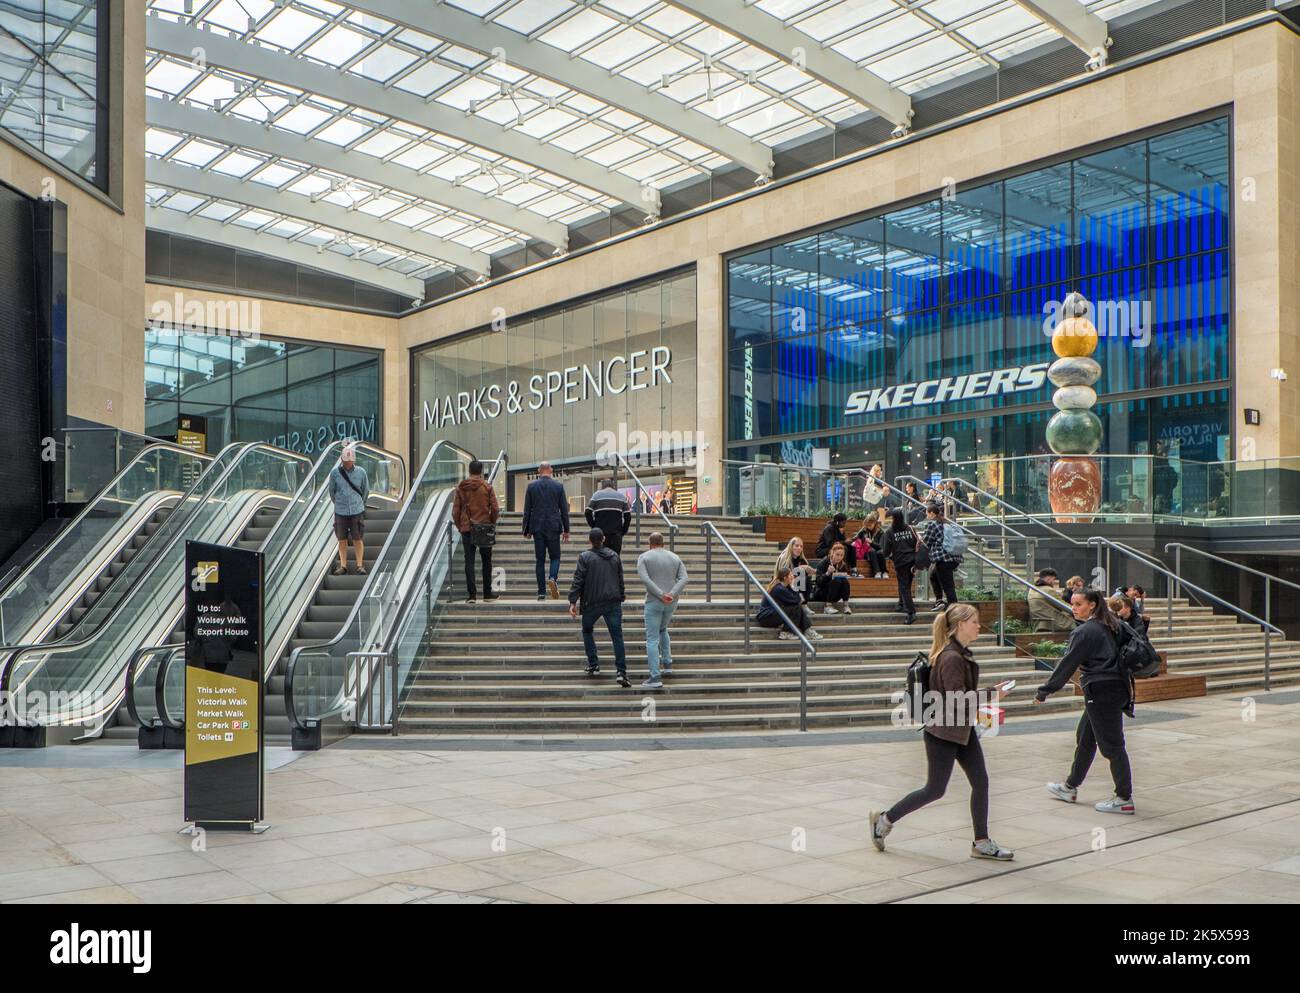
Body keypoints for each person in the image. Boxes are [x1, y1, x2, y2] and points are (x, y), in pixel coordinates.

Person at [869, 603, 1014, 860]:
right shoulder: (951, 657)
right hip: (943, 733)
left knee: (980, 782)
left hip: (961, 730)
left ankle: (981, 842)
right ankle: (884, 820)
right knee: (934, 789)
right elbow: (957, 699)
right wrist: (993, 694)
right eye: (974, 622)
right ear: (960, 625)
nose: (979, 626)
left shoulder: (960, 653)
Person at [1037, 589, 1136, 815]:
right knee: (1086, 738)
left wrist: (1045, 690)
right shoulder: (1110, 624)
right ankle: (1070, 786)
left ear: (1092, 605)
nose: (1074, 608)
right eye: (1072, 604)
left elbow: (1067, 664)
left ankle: (1124, 797)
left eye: (1079, 604)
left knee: (1112, 746)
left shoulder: (1087, 631)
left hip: (1101, 691)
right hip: (1115, 687)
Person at [568, 527, 629, 687]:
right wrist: (621, 595)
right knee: (617, 636)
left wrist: (573, 601)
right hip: (612, 602)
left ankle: (594, 664)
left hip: (592, 603)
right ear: (603, 539)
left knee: (587, 630)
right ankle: (621, 672)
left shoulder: (585, 557)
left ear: (590, 541)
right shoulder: (614, 556)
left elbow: (578, 579)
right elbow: (620, 578)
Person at [636, 531, 688, 689]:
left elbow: (645, 579)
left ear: (650, 543)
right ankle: (668, 663)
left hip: (653, 601)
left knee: (652, 638)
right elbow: (684, 578)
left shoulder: (644, 557)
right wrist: (671, 594)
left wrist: (660, 594)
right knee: (663, 629)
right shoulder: (674, 557)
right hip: (671, 602)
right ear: (663, 543)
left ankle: (655, 676)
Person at [452, 459, 500, 604]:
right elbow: (496, 508)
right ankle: (487, 594)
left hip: (467, 528)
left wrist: (460, 526)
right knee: (486, 561)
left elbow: (455, 511)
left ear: (469, 471)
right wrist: (491, 522)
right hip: (484, 528)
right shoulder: (487, 487)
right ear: (481, 471)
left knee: (469, 561)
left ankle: (472, 595)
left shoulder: (461, 487)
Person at [522, 462, 570, 601]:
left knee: (540, 560)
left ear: (539, 471)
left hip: (537, 527)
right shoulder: (558, 486)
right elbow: (564, 511)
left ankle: (541, 592)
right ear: (550, 470)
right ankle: (552, 578)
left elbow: (527, 510)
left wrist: (526, 529)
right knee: (555, 557)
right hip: (554, 526)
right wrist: (566, 530)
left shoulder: (531, 487)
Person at [328, 444, 369, 576]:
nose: (348, 463)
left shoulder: (361, 472)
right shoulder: (335, 473)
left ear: (354, 460)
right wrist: (339, 503)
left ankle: (359, 565)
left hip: (356, 509)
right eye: (346, 461)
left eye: (350, 461)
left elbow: (365, 490)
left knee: (358, 538)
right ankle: (343, 565)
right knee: (342, 539)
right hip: (341, 510)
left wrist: (360, 503)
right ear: (342, 460)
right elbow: (332, 492)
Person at [756, 566, 824, 641]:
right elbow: (798, 600)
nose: (793, 577)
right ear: (785, 578)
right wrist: (794, 587)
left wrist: (793, 588)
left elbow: (798, 600)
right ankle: (787, 632)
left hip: (772, 615)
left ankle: (807, 630)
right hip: (766, 618)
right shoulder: (779, 589)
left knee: (796, 607)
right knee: (796, 607)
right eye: (790, 575)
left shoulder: (785, 587)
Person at [880, 508, 918, 624]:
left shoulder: (890, 532)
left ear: (893, 518)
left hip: (901, 562)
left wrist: (885, 555)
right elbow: (915, 543)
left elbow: (886, 551)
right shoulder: (910, 528)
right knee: (907, 584)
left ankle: (911, 612)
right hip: (913, 561)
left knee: (904, 586)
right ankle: (901, 604)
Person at [921, 502, 961, 611]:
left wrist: (920, 539)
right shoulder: (947, 523)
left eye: (927, 514)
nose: (927, 517)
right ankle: (939, 601)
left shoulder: (932, 525)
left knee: (948, 587)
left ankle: (954, 612)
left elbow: (926, 542)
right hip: (953, 558)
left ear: (932, 513)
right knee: (933, 575)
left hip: (943, 559)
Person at [585, 479, 631, 554]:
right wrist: (623, 531)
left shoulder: (596, 495)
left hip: (600, 534)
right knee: (615, 557)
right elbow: (628, 516)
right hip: (616, 534)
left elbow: (587, 512)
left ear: (602, 486)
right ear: (613, 486)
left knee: (600, 557)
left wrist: (594, 526)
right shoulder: (621, 497)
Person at [775, 536, 817, 603]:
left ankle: (804, 604)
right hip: (785, 584)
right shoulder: (784, 558)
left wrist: (810, 570)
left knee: (807, 579)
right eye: (797, 546)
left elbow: (807, 576)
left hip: (797, 585)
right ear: (791, 547)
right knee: (799, 574)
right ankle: (799, 598)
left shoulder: (802, 560)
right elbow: (783, 577)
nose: (799, 548)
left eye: (801, 546)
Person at [815, 542, 853, 614]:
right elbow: (818, 583)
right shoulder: (823, 563)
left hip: (834, 594)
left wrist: (845, 576)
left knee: (844, 581)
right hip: (822, 593)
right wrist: (827, 573)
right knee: (837, 580)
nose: (839, 557)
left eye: (841, 555)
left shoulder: (842, 564)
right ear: (832, 553)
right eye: (837, 555)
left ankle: (846, 605)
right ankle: (827, 606)